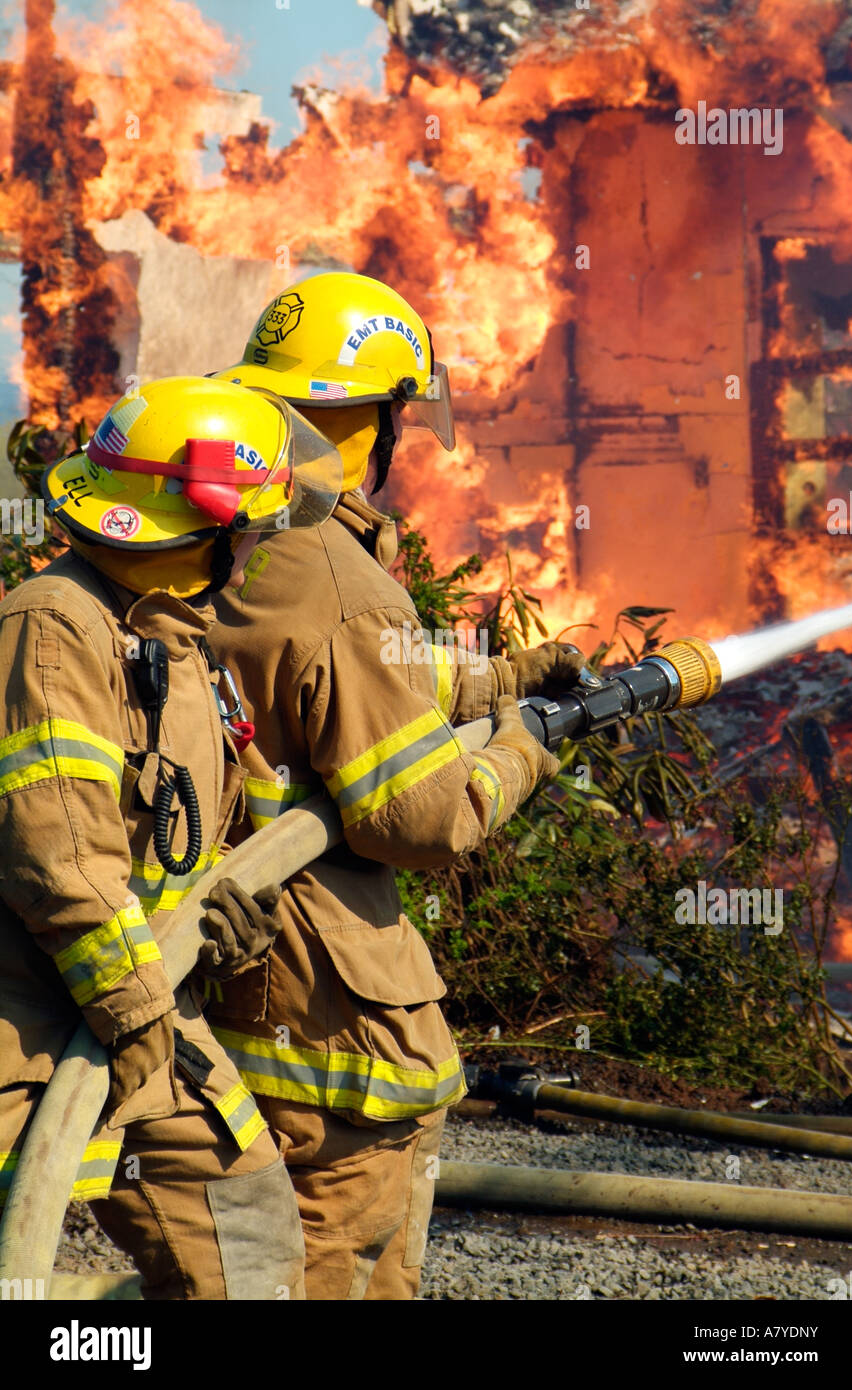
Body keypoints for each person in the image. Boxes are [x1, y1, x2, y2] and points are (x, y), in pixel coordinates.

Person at [207, 274, 586, 1299]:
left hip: (250, 983)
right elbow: (423, 817)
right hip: (331, 1013)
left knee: (252, 1259)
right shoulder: (337, 577)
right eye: (399, 418)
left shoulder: (248, 538)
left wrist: (504, 678)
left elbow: (345, 684)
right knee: (326, 1260)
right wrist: (526, 747)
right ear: (367, 420)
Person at [0, 375, 341, 1299]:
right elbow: (58, 861)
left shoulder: (170, 635)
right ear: (204, 526)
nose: (262, 546)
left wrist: (228, 915)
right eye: (255, 527)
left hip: (141, 1006)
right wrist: (140, 1013)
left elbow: (199, 820)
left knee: (248, 1235)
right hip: (38, 1027)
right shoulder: (55, 626)